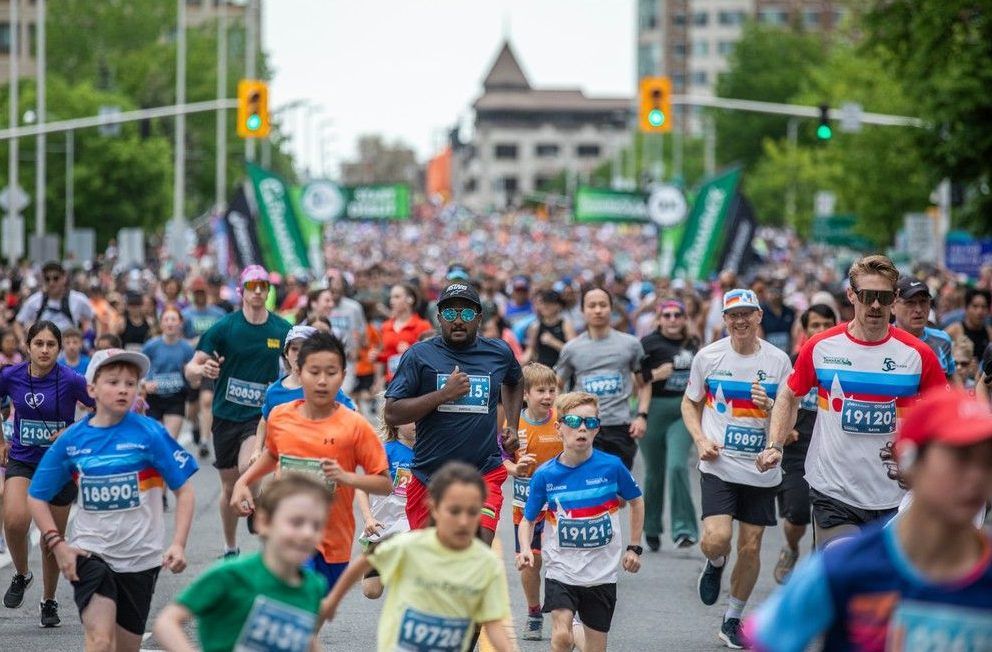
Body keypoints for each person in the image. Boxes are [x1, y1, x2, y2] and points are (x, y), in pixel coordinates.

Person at [746, 388, 992, 651]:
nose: (977, 477)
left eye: (987, 461)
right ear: (910, 462)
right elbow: (769, 640)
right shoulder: (840, 567)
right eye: (961, 458)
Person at [760, 255, 947, 549]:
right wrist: (775, 445)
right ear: (851, 295)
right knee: (842, 570)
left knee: (882, 587)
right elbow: (788, 394)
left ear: (894, 299)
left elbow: (945, 414)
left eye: (883, 298)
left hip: (895, 498)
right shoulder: (821, 347)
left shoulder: (918, 355)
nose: (875, 305)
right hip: (835, 493)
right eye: (867, 296)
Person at [27, 348, 197, 651]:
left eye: (130, 383)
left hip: (141, 559)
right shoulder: (73, 439)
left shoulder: (151, 434)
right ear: (91, 388)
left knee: (125, 647)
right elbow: (37, 496)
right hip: (91, 552)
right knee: (101, 640)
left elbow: (184, 491)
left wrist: (179, 543)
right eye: (113, 381)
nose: (123, 389)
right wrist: (58, 544)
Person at [231, 332, 391, 591]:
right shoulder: (281, 417)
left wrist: (346, 477)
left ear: (343, 375)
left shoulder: (355, 425)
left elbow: (384, 484)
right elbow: (273, 453)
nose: (322, 381)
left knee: (311, 613)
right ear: (299, 371)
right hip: (288, 530)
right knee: (297, 605)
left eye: (331, 372)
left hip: (333, 538)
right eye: (314, 372)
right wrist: (243, 482)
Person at [682, 288, 793, 649]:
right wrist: (700, 439)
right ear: (724, 319)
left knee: (750, 547)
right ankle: (714, 563)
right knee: (717, 539)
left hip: (761, 469)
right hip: (719, 464)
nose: (740, 320)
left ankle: (732, 619)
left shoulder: (779, 361)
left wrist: (771, 406)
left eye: (747, 313)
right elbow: (690, 402)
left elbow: (791, 419)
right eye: (733, 315)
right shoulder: (708, 357)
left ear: (759, 316)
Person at [384, 282, 524, 546]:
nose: (458, 320)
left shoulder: (498, 352)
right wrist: (443, 395)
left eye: (467, 314)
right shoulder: (419, 355)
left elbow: (515, 381)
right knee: (432, 564)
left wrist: (513, 426)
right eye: (450, 314)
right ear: (439, 318)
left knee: (476, 546)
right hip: (429, 477)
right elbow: (392, 412)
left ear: (479, 318)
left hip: (483, 473)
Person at [320, 461, 513, 652]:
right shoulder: (411, 545)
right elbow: (365, 561)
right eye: (454, 511)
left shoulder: (486, 564)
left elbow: (493, 623)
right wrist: (332, 601)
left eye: (472, 512)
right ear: (434, 508)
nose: (463, 521)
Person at [516, 391, 645, 652]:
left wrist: (634, 547)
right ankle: (569, 629)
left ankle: (577, 629)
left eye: (590, 423)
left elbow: (636, 501)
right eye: (574, 422)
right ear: (559, 427)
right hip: (561, 570)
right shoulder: (545, 475)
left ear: (598, 429)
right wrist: (526, 549)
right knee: (560, 637)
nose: (582, 428)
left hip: (601, 575)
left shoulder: (612, 467)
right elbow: (527, 520)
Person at [153, 475, 331, 652]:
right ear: (264, 522)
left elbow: (305, 637)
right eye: (296, 522)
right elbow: (167, 622)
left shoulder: (313, 585)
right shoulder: (229, 575)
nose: (308, 533)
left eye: (317, 525)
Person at [184, 265, 292, 558]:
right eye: (252, 286)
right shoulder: (224, 327)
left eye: (263, 286)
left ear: (268, 291)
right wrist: (201, 368)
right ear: (241, 291)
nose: (257, 291)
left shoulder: (282, 330)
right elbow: (191, 368)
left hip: (259, 417)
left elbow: (298, 367)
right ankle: (230, 546)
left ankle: (255, 500)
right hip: (225, 415)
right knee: (229, 487)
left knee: (248, 468)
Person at [0, 321, 95, 627]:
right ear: (27, 346)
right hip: (23, 461)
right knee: (14, 520)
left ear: (58, 348)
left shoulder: (71, 379)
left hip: (58, 466)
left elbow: (101, 407)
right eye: (38, 343)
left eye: (50, 345)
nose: (44, 350)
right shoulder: (11, 375)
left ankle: (49, 600)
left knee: (50, 540)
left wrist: (72, 430)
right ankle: (21, 574)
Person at [772, 304, 836, 585]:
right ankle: (792, 547)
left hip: (830, 450)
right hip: (796, 451)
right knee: (797, 513)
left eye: (826, 325)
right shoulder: (794, 361)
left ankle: (814, 574)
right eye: (815, 325)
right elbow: (780, 405)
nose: (820, 331)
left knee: (826, 517)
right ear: (804, 330)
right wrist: (784, 433)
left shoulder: (841, 363)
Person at [555, 287, 650, 471]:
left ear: (611, 308)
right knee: (589, 488)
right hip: (584, 427)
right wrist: (563, 417)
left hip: (620, 427)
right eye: (592, 306)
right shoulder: (572, 348)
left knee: (618, 494)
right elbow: (557, 384)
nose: (598, 310)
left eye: (602, 305)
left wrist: (641, 416)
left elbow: (644, 383)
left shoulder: (630, 344)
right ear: (583, 311)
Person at [504, 362, 561, 640]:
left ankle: (566, 612)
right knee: (529, 563)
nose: (548, 396)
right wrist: (515, 469)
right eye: (541, 390)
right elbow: (499, 457)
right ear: (525, 394)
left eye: (552, 390)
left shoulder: (562, 421)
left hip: (559, 507)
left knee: (560, 561)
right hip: (525, 508)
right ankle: (534, 612)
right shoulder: (515, 424)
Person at [639, 298, 700, 551]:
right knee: (654, 473)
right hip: (653, 410)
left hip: (682, 410)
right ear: (659, 319)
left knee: (677, 466)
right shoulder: (648, 344)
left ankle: (684, 529)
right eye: (667, 315)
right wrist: (655, 375)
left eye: (678, 315)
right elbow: (634, 381)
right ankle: (651, 528)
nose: (673, 319)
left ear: (685, 319)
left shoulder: (693, 344)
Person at [251, 325, 357, 468]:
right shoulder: (274, 391)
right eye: (294, 349)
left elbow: (352, 417)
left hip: (320, 465)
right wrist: (257, 450)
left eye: (305, 348)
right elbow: (264, 420)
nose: (299, 354)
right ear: (286, 353)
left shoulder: (325, 388)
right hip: (285, 467)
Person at [357, 417, 415, 600]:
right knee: (371, 591)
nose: (416, 424)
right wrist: (368, 519)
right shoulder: (386, 451)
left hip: (413, 525)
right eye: (410, 419)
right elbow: (362, 487)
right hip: (384, 524)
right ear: (396, 421)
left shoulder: (430, 451)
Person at [182, 276, 227, 458]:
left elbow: (225, 337)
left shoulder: (218, 314)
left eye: (202, 292)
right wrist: (192, 342)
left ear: (207, 293)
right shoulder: (186, 315)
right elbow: (178, 339)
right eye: (196, 293)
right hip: (191, 364)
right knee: (190, 409)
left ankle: (204, 441)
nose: (200, 296)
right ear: (192, 294)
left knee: (207, 400)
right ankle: (195, 425)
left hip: (211, 363)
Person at [142, 306, 194, 441]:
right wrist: (144, 384)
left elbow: (193, 376)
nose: (170, 323)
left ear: (180, 323)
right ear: (161, 323)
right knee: (156, 440)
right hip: (154, 399)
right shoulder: (151, 346)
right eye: (166, 319)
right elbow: (138, 371)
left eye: (173, 319)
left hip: (176, 398)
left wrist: (192, 377)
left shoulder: (187, 348)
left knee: (170, 442)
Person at [892, 276, 956, 381]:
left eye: (923, 301)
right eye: (910, 303)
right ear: (892, 307)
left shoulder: (942, 340)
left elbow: (951, 380)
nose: (918, 309)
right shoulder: (883, 340)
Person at [14, 261, 94, 344]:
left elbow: (95, 318)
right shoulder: (35, 300)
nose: (51, 283)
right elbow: (18, 323)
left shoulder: (78, 299)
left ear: (64, 278)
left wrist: (92, 338)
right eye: (47, 279)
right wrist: (22, 341)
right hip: (43, 351)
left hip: (69, 351)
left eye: (56, 278)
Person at [377, 283, 431, 384]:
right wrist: (377, 380)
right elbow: (383, 356)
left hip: (414, 383)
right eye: (391, 297)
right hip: (390, 383)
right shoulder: (385, 326)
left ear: (410, 300)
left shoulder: (423, 326)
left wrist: (410, 351)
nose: (392, 301)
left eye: (397, 297)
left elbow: (430, 357)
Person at [524, 289, 576, 368]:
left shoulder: (565, 325)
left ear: (558, 305)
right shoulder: (535, 326)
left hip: (562, 369)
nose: (545, 306)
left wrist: (553, 342)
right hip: (543, 371)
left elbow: (573, 351)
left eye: (549, 303)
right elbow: (530, 350)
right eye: (543, 303)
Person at [945, 288, 992, 367]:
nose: (980, 311)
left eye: (984, 307)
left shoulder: (989, 332)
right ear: (966, 308)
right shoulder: (954, 330)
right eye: (975, 306)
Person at [759, 281, 796, 354]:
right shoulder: (761, 312)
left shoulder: (790, 311)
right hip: (768, 352)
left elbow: (793, 334)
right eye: (772, 292)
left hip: (787, 352)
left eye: (778, 291)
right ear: (767, 293)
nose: (775, 295)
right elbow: (759, 335)